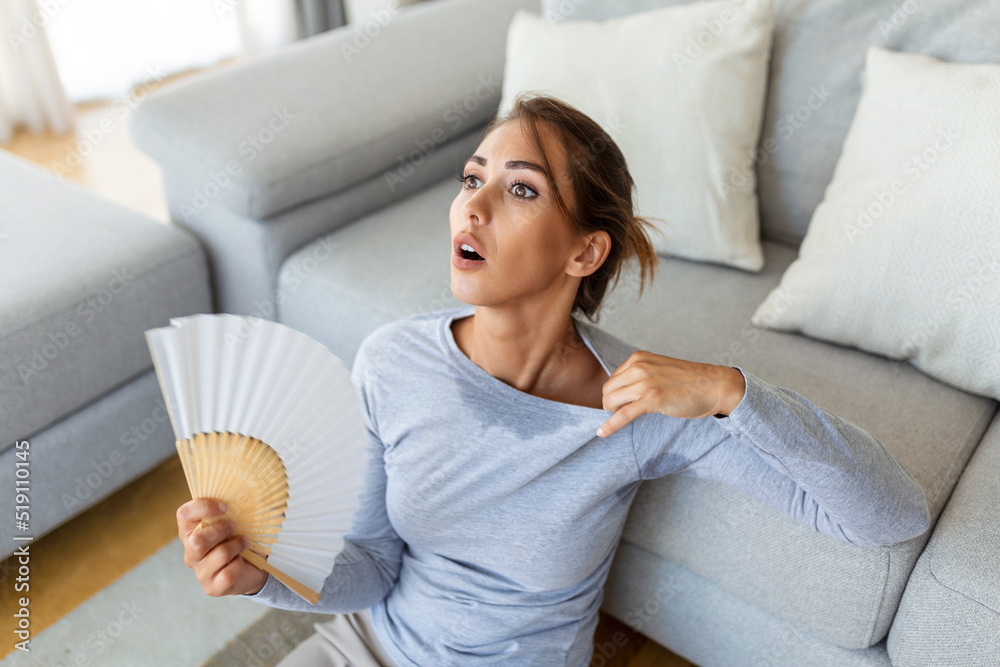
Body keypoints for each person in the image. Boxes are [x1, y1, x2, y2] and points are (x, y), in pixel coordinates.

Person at [176, 93, 931, 666]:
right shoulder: (391, 360)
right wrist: (258, 575)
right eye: (472, 178)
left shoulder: (639, 406)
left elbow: (889, 516)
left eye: (521, 189)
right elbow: (373, 566)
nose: (472, 206)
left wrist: (734, 391)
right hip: (369, 648)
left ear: (584, 253)